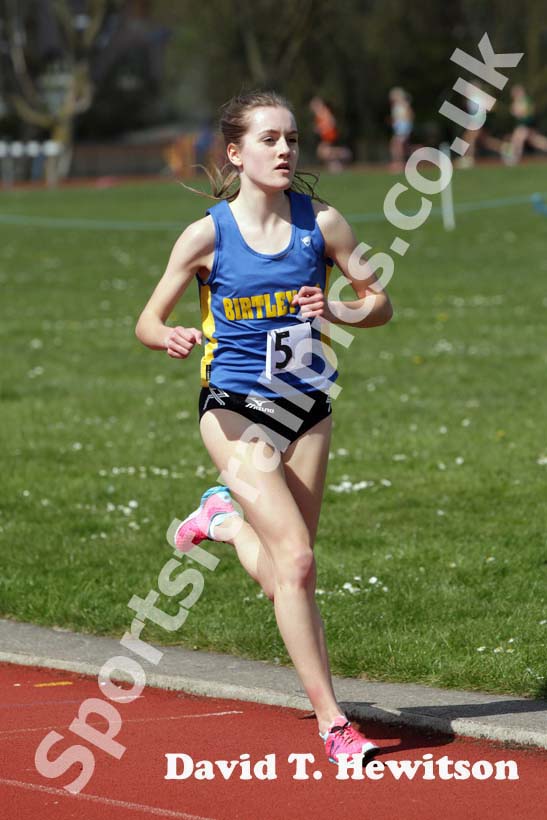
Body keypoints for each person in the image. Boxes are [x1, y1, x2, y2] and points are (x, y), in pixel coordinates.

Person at [135, 90, 393, 765]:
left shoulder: (324, 225)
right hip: (233, 410)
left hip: (306, 409)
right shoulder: (205, 235)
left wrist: (335, 307)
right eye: (269, 139)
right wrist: (170, 336)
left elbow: (381, 304)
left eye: (291, 140)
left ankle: (219, 521)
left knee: (289, 567)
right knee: (299, 563)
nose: (284, 151)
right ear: (235, 152)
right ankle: (332, 722)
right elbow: (145, 320)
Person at [504, 84, 547, 165]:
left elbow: (527, 113)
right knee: (536, 141)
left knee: (517, 139)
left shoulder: (526, 100)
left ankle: (515, 159)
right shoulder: (519, 101)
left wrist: (518, 112)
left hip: (526, 125)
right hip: (524, 126)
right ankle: (514, 158)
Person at [309, 96, 352, 172]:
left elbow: (332, 121)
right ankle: (335, 164)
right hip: (326, 136)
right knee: (322, 152)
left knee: (322, 152)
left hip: (330, 135)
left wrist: (321, 127)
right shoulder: (318, 114)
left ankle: (343, 153)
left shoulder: (324, 112)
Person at [389, 87, 414, 172]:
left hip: (402, 128)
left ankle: (400, 164)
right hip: (399, 128)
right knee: (401, 146)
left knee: (398, 146)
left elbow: (409, 116)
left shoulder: (403, 104)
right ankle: (401, 163)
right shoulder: (396, 105)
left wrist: (405, 128)